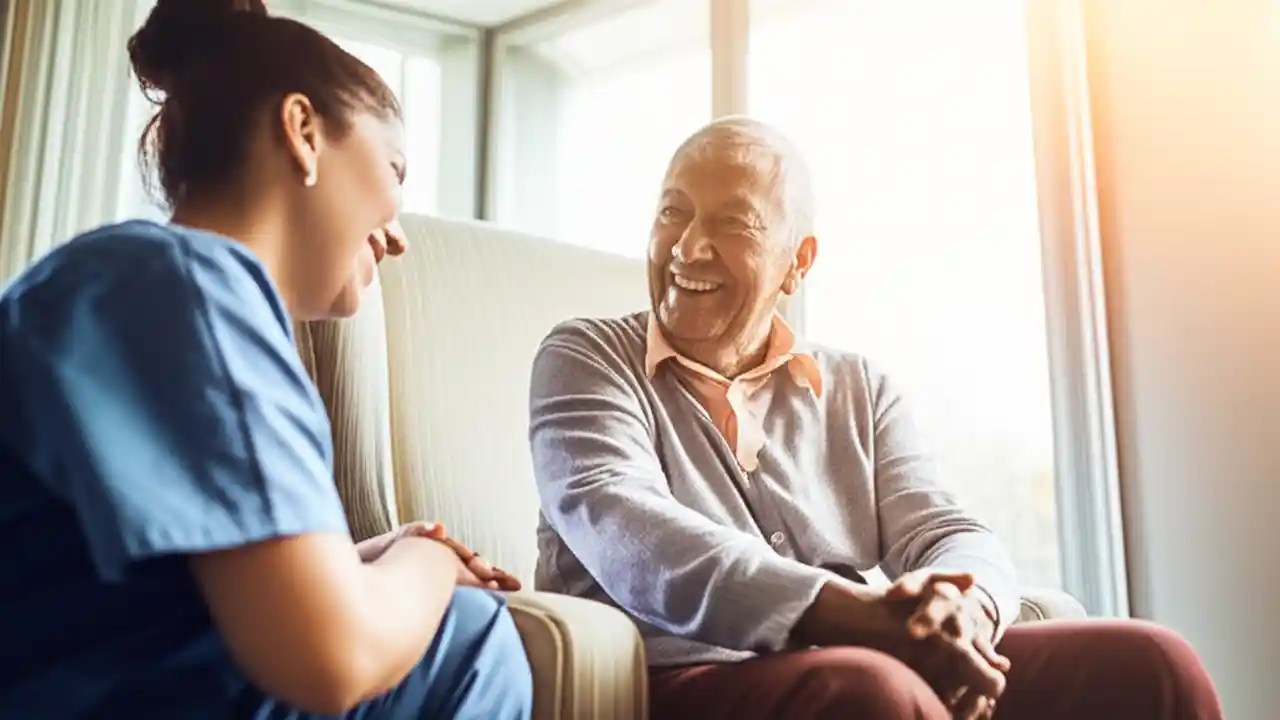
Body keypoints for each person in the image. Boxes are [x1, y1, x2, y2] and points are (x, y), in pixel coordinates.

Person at [528, 116, 1223, 720]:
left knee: (1151, 664)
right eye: (672, 212)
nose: (687, 248)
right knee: (873, 692)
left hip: (860, 664)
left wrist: (963, 612)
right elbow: (633, 536)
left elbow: (947, 531)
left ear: (797, 263)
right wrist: (859, 617)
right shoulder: (585, 356)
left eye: (731, 221)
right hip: (675, 682)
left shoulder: (859, 386)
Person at [0, 1, 531, 718]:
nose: (397, 235)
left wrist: (364, 559)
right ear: (303, 131)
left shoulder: (138, 287)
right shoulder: (187, 289)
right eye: (395, 168)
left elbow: (155, 594)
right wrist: (431, 561)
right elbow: (335, 656)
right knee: (470, 634)